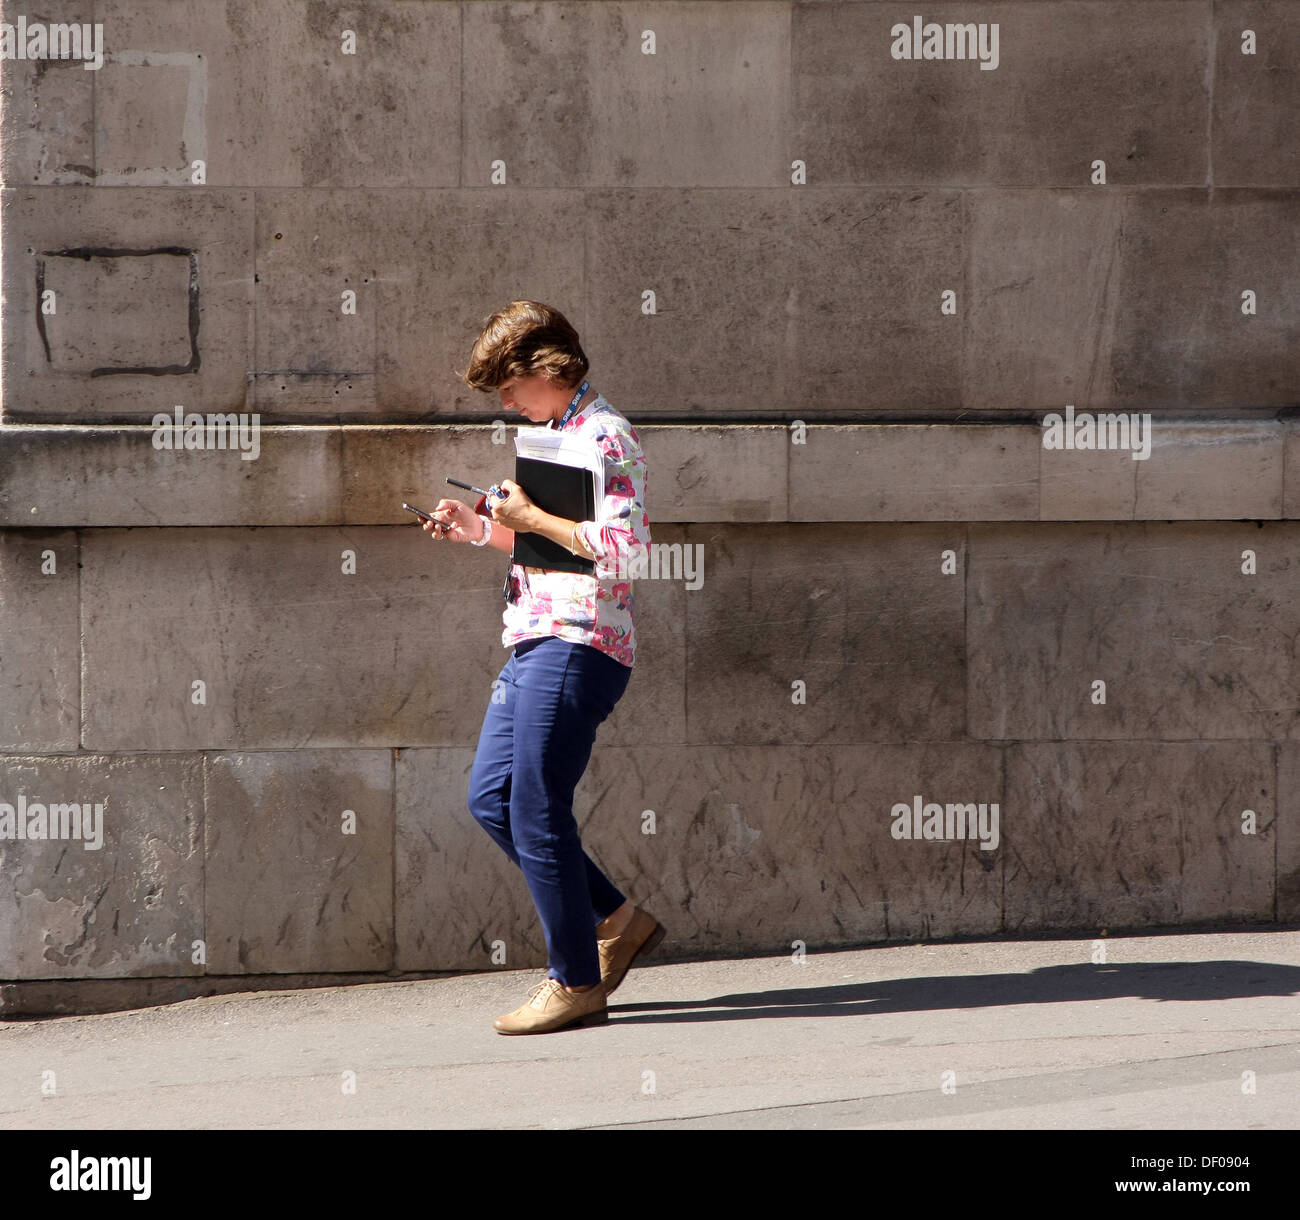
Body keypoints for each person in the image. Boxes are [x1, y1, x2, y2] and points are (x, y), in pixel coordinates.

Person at [424, 300, 666, 1034]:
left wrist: (531, 519)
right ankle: (618, 922)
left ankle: (575, 982)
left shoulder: (606, 437)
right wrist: (482, 530)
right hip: (535, 637)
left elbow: (626, 554)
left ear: (548, 370)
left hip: (580, 643)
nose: (505, 404)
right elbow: (554, 550)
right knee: (493, 799)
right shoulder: (554, 434)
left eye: (508, 387)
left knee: (534, 806)